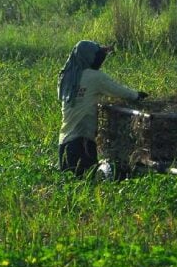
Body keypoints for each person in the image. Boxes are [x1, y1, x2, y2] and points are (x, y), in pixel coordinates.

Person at [57, 40, 147, 176]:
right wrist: (137, 95)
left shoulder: (66, 77)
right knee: (89, 182)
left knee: (71, 183)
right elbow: (118, 90)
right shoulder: (94, 77)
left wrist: (104, 49)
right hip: (82, 142)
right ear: (89, 57)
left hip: (64, 143)